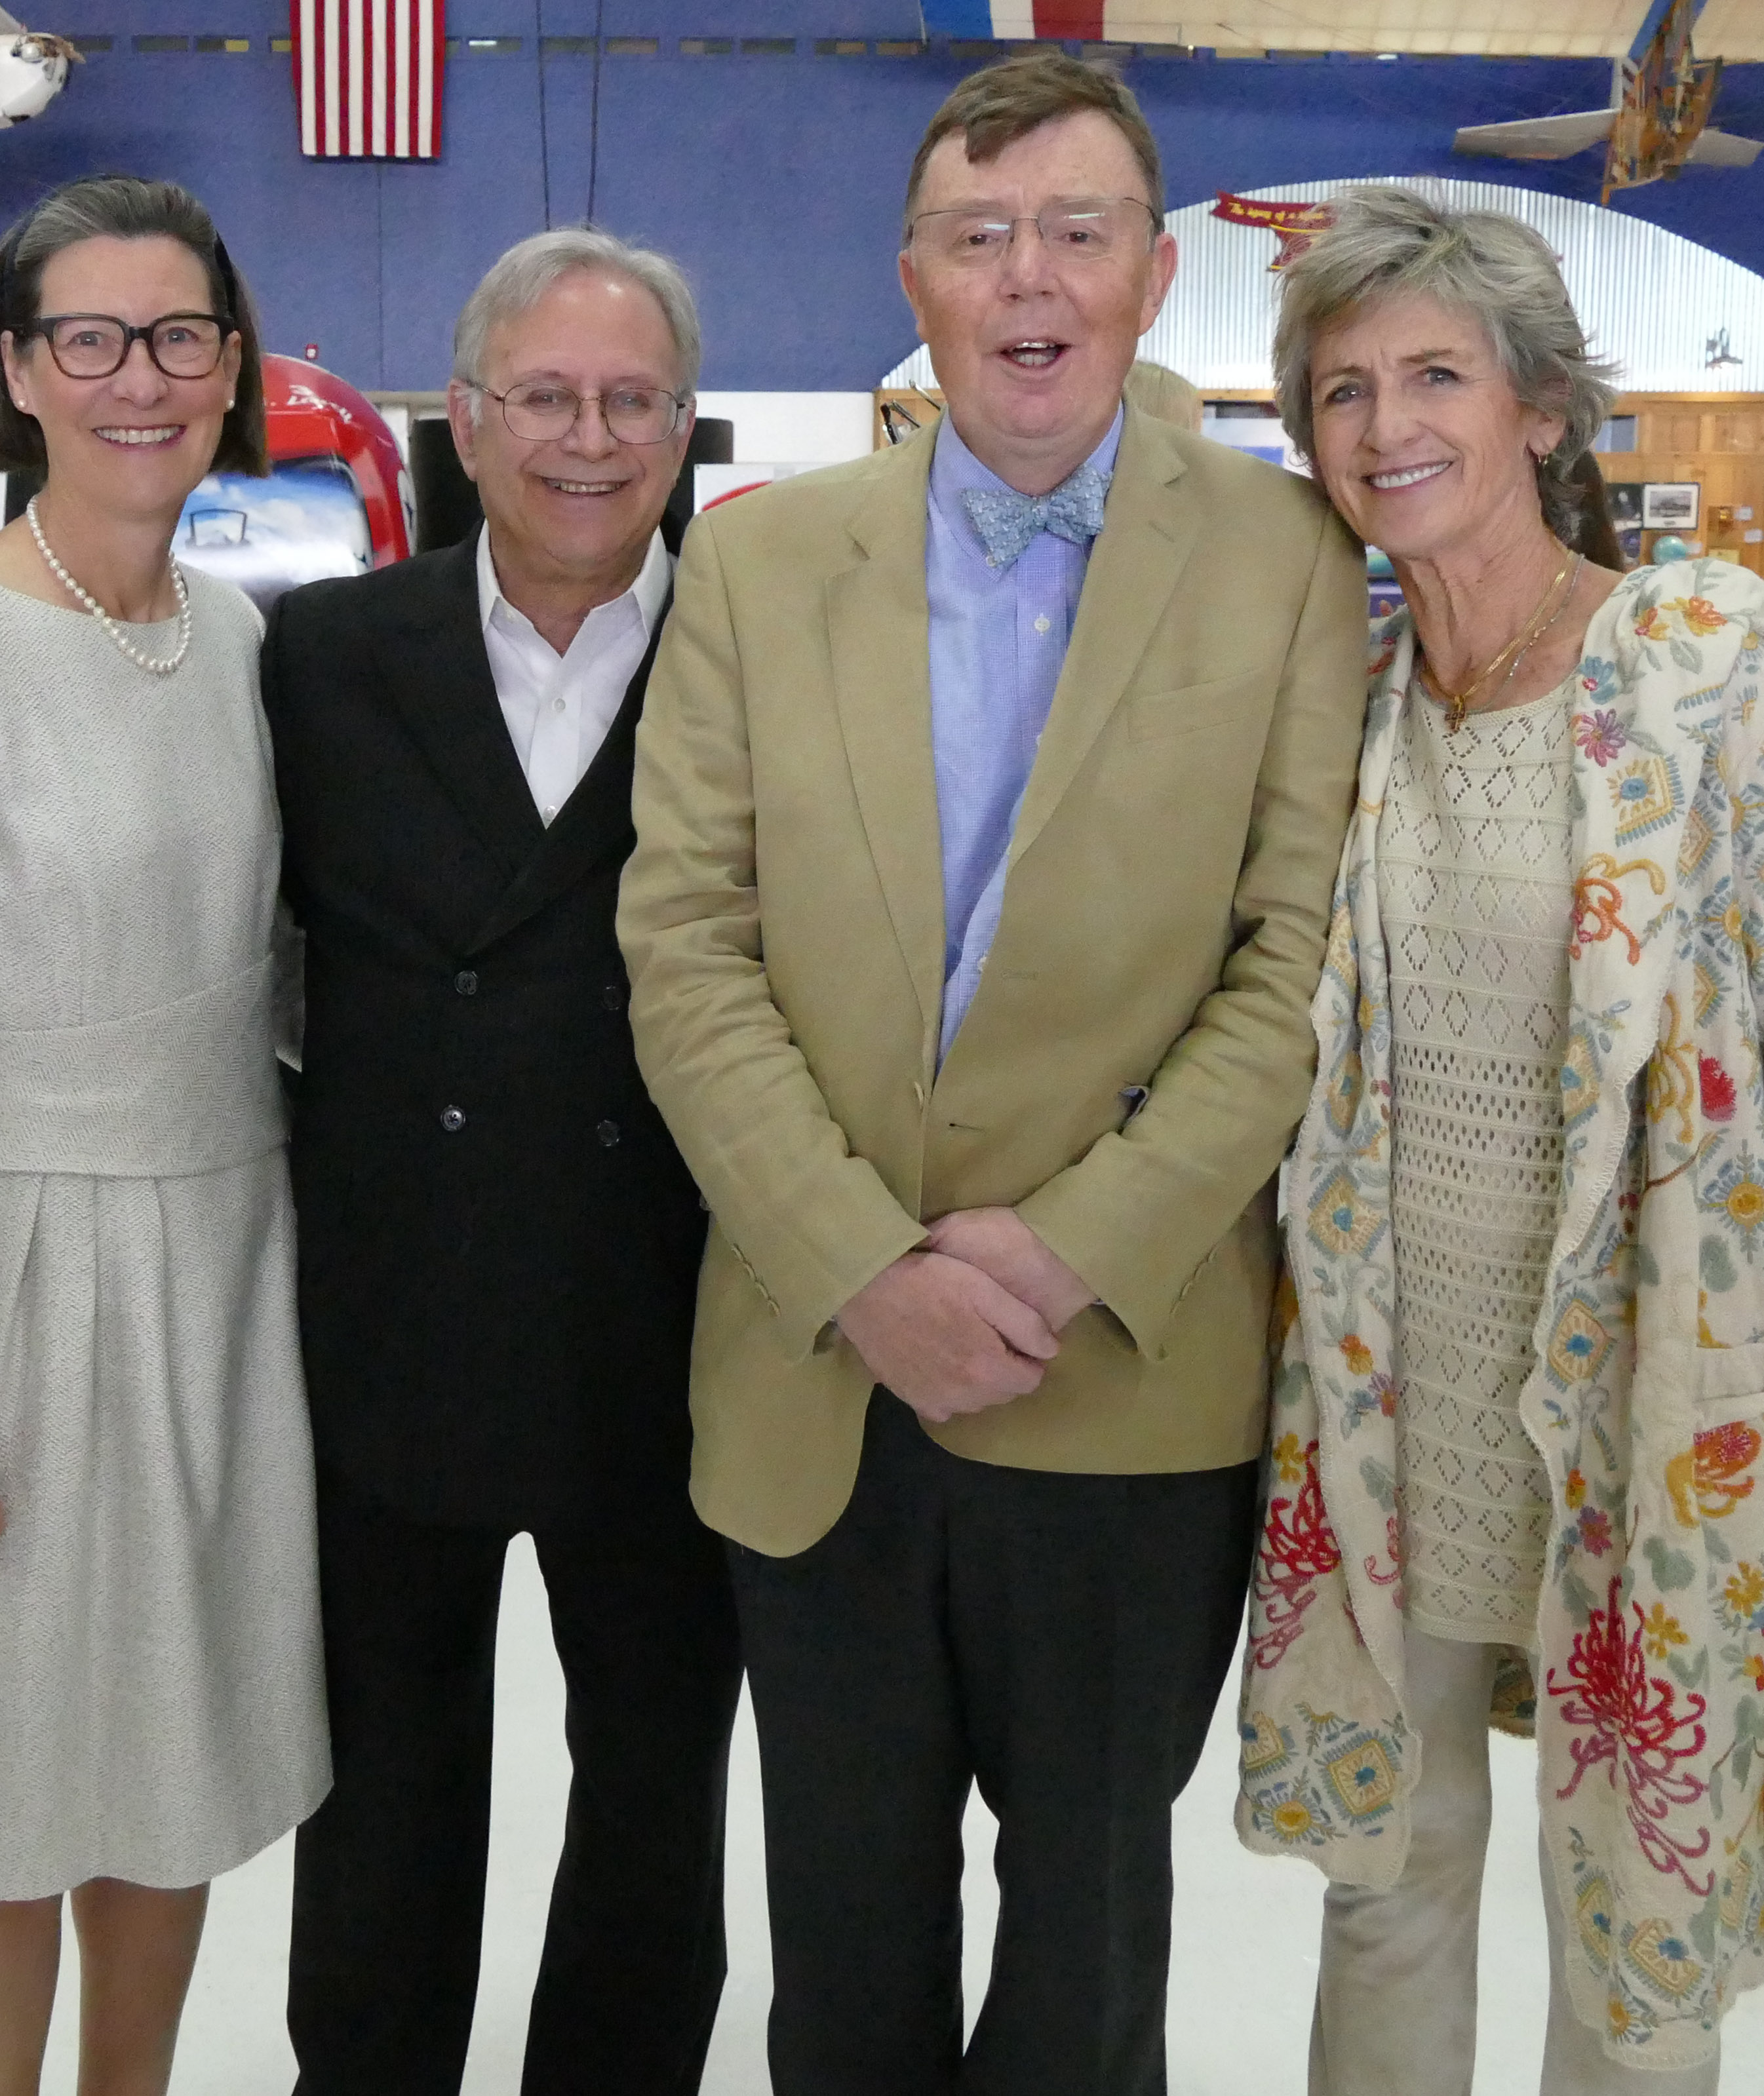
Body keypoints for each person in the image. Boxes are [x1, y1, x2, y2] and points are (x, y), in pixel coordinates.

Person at [619, 53, 1368, 2093]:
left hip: (1121, 1380)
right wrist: (858, 1261)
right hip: (818, 1374)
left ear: (1152, 274)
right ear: (913, 280)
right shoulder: (761, 563)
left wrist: (1066, 1246)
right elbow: (684, 943)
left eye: (1076, 230)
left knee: (1083, 1963)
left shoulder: (1290, 558)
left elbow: (1293, 966)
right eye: (977, 234)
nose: (1027, 275)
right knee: (845, 1944)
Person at [1236, 186, 1764, 2092]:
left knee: (1633, 1921)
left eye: (1434, 376)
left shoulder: (1719, 684)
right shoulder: (1349, 714)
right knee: (1386, 1880)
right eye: (1343, 389)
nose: (1386, 426)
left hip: (1653, 1402)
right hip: (1393, 1402)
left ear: (1540, 408)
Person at [0, 175, 328, 2093]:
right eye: (87, 339)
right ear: (16, 372)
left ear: (230, 363)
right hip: (12, 1292)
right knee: (1, 1778)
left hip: (219, 1273)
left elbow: (279, 975)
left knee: (171, 1760)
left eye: (178, 335)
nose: (138, 377)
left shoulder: (246, 641)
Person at [261, 228, 739, 2095]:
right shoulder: (320, 655)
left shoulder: (758, 652)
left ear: (683, 425)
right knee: (381, 1787)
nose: (588, 438)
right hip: (396, 1309)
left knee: (655, 1789)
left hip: (678, 1314)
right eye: (545, 395)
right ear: (463, 420)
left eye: (630, 399)